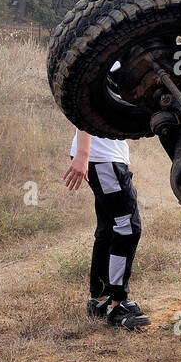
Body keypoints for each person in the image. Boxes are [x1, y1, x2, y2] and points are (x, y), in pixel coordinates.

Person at [63, 129, 149, 329]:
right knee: (127, 227)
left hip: (103, 156)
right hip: (102, 157)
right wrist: (83, 154)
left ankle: (100, 299)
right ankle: (118, 304)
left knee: (110, 228)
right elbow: (85, 109)